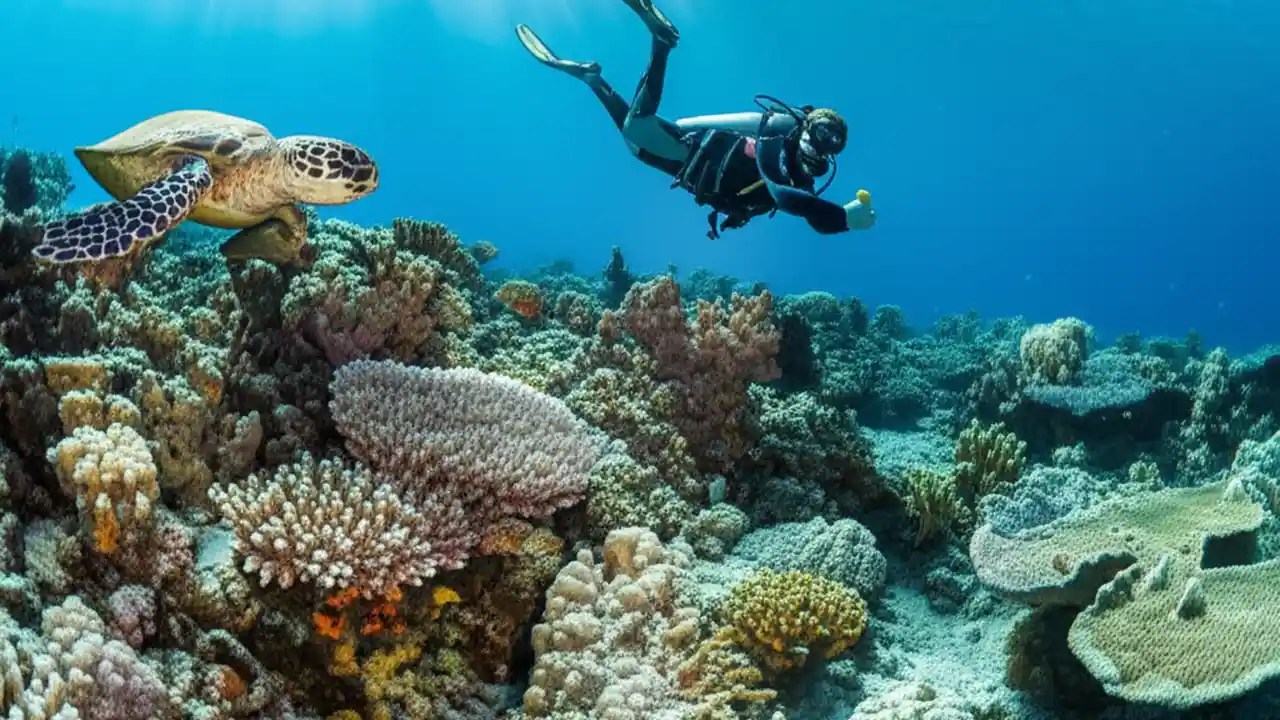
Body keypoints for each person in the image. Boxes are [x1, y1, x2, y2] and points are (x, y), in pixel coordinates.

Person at [515, 0, 876, 240]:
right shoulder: (780, 133)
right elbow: (782, 194)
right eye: (822, 133)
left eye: (834, 143)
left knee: (633, 144)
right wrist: (843, 219)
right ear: (807, 125)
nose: (823, 145)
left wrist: (842, 218)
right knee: (637, 130)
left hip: (692, 167)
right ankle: (661, 44)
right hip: (692, 155)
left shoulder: (801, 176)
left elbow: (811, 214)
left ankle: (592, 78)